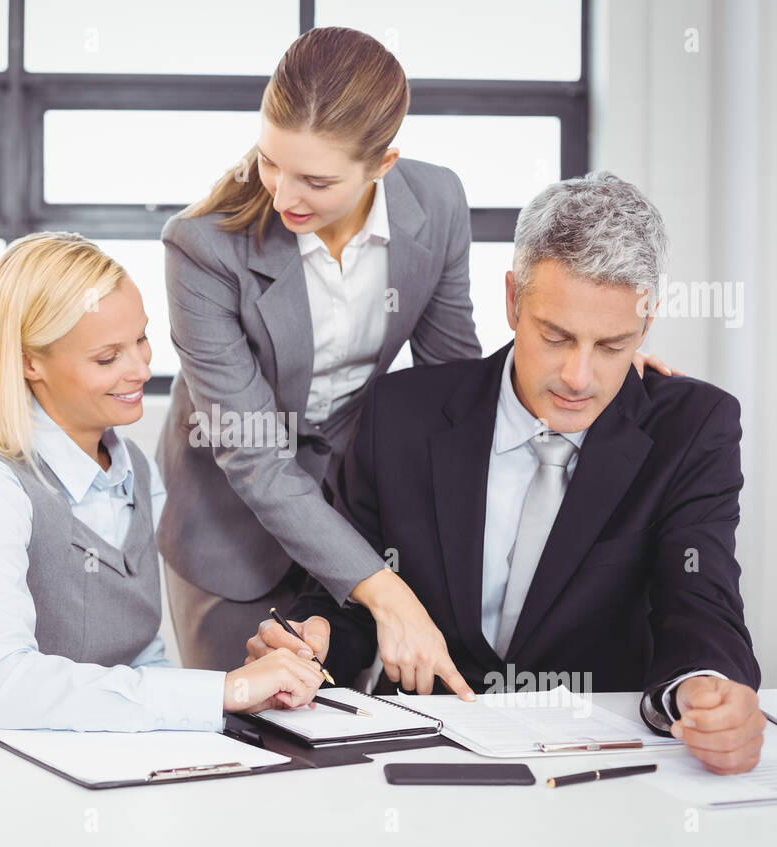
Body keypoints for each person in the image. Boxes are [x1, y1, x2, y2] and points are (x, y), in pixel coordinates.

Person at [156, 26, 676, 693]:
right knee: (247, 739)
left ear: (383, 163)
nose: (283, 195)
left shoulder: (435, 205)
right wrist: (388, 594)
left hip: (363, 506)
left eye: (315, 179)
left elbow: (451, 377)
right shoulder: (202, 249)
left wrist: (590, 362)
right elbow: (254, 456)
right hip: (234, 534)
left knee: (351, 742)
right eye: (269, 162)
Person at [249, 172, 766, 775]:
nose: (578, 376)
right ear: (513, 299)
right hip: (424, 759)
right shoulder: (401, 414)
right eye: (556, 336)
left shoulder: (693, 426)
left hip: (600, 766)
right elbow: (354, 602)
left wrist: (701, 687)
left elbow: (700, 598)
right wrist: (312, 645)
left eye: (611, 345)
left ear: (646, 325)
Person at [0, 232, 324, 730]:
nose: (141, 369)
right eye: (107, 357)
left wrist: (235, 708)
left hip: (103, 765)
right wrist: (220, 692)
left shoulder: (135, 466)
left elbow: (138, 659)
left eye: (142, 338)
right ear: (30, 361)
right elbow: (2, 688)